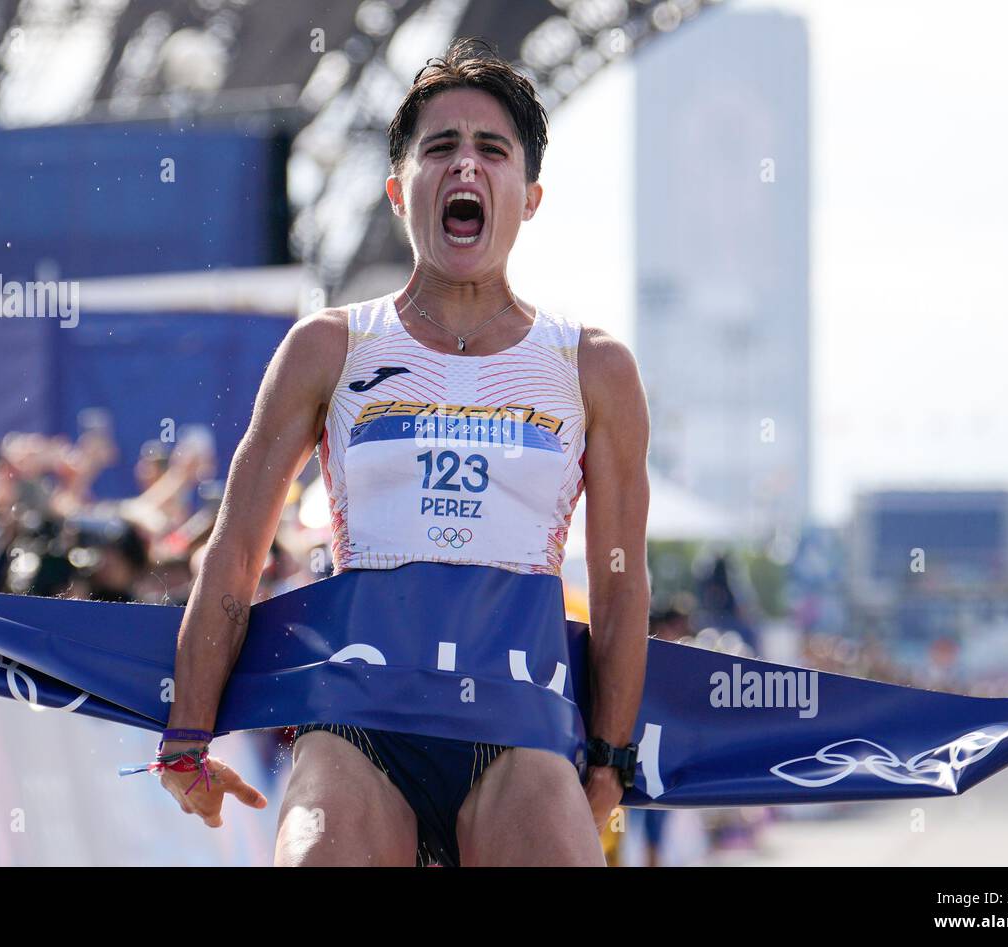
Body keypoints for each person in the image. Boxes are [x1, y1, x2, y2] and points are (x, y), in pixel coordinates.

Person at [153, 37, 652, 867]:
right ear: (398, 189)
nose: (466, 165)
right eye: (440, 148)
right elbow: (235, 552)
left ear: (528, 198)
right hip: (357, 724)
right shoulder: (328, 346)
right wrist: (186, 736)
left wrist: (610, 759)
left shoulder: (592, 364)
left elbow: (620, 582)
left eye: (492, 150)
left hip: (518, 726)